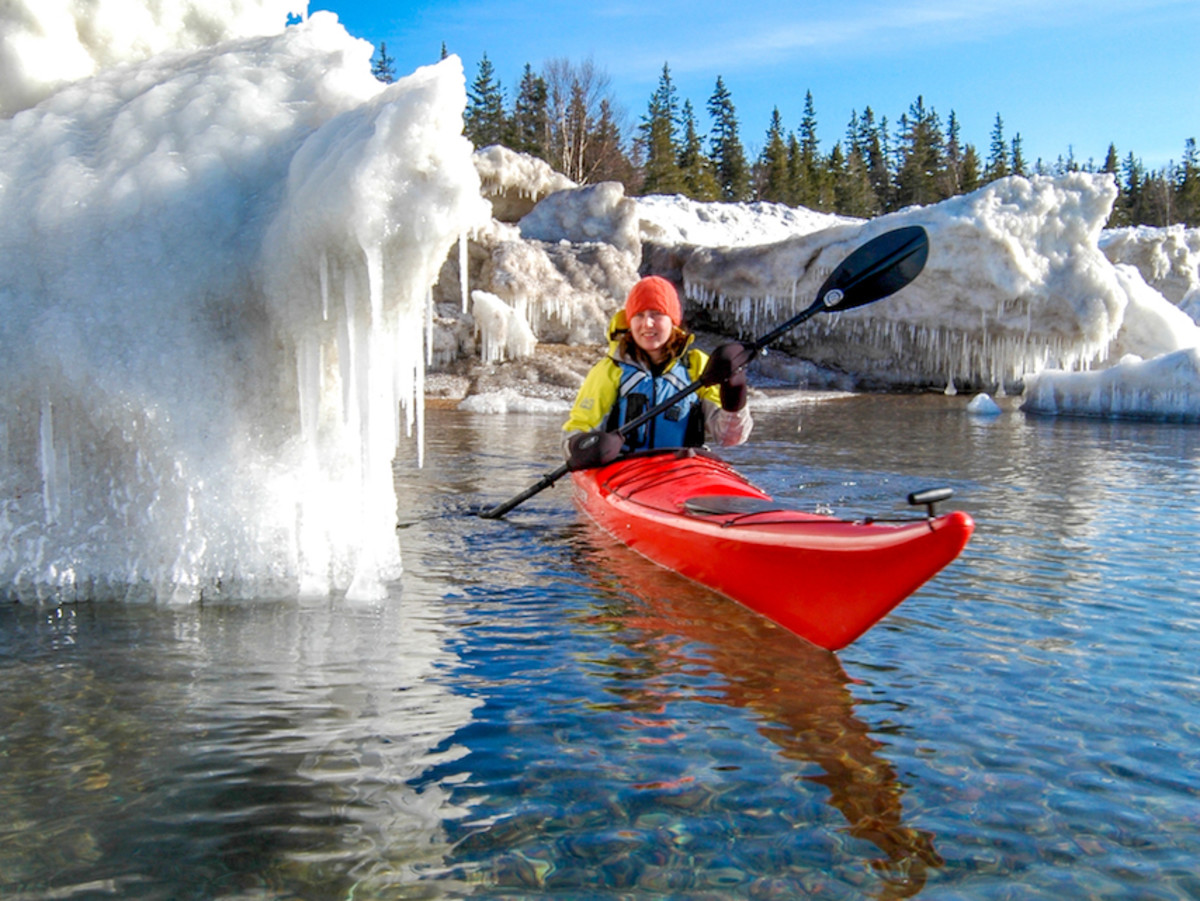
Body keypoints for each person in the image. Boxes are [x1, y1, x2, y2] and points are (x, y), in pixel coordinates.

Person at [563, 275, 754, 470]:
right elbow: (575, 431)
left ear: (673, 321)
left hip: (682, 472)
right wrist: (584, 446)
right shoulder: (610, 371)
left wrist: (735, 392)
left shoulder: (698, 367)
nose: (647, 323)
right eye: (639, 315)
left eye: (656, 314)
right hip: (623, 472)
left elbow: (730, 437)